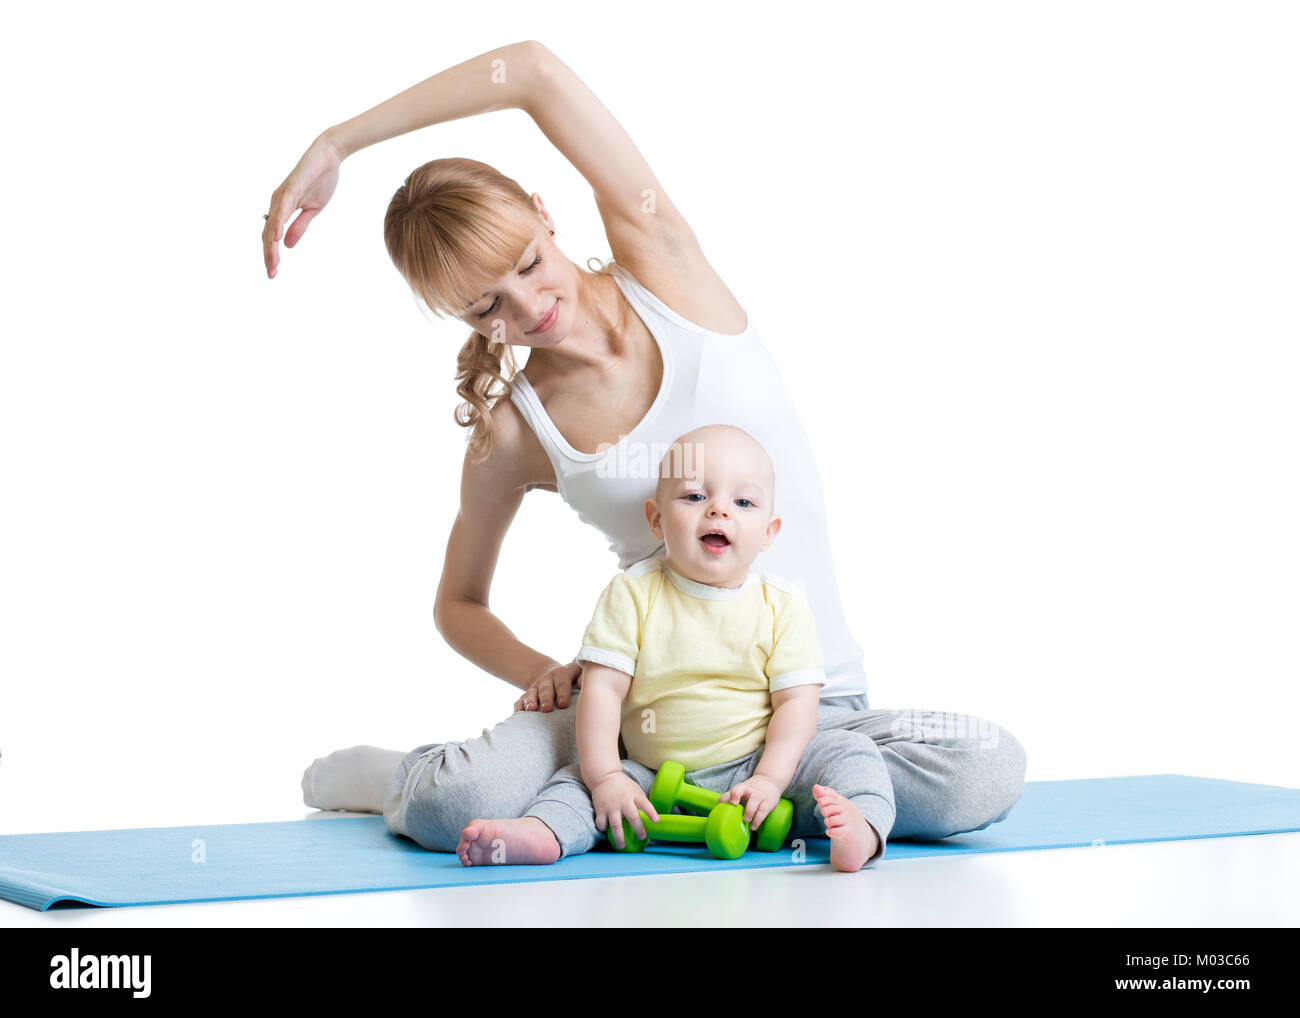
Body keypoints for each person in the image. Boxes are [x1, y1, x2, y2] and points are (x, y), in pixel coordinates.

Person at [270, 40, 1026, 854]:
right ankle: (409, 779)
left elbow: (530, 70)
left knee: (985, 769)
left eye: (529, 262)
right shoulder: (516, 429)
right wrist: (545, 675)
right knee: (458, 804)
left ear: (543, 209)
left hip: (811, 710)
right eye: (487, 306)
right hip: (631, 726)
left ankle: (711, 806)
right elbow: (458, 604)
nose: (530, 307)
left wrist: (340, 140)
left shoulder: (665, 266)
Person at [458, 424, 890, 872]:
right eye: (694, 497)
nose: (719, 510)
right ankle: (542, 833)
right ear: (656, 519)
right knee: (577, 785)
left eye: (743, 503)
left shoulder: (782, 605)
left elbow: (797, 705)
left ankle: (865, 830)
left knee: (852, 753)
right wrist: (606, 777)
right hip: (650, 773)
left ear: (768, 532)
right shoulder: (633, 593)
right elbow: (603, 692)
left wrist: (768, 779)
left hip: (755, 765)